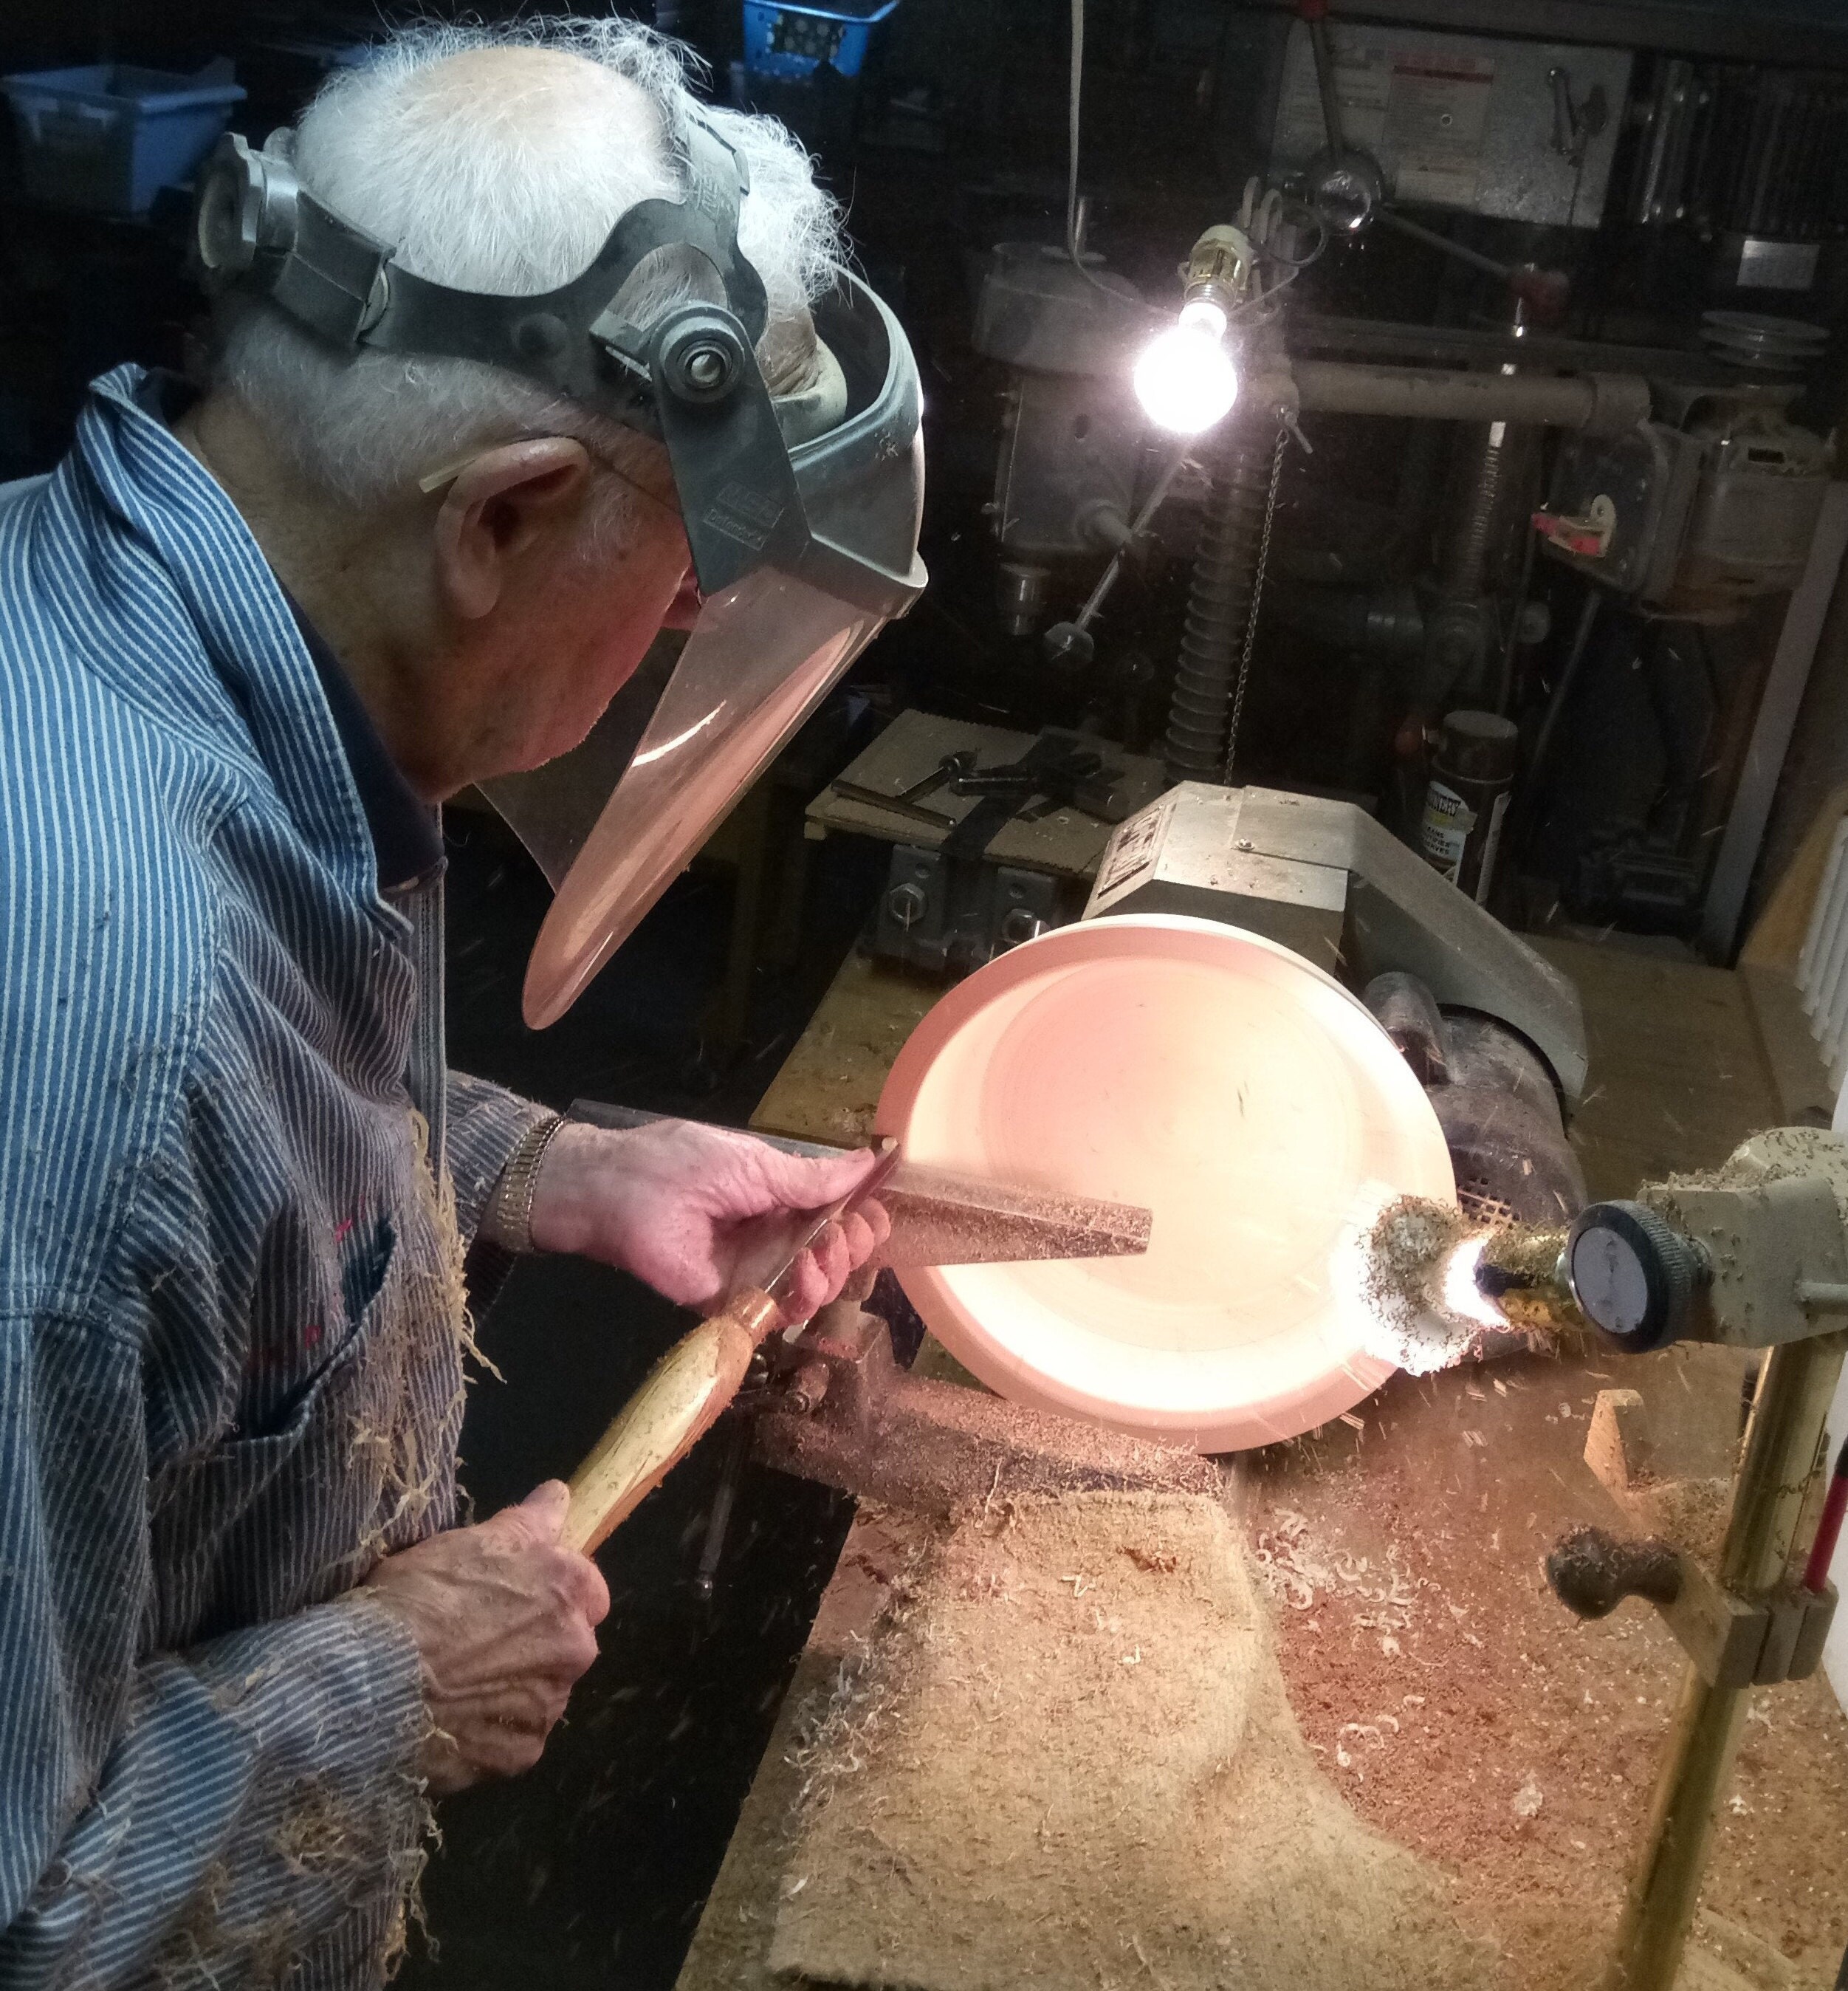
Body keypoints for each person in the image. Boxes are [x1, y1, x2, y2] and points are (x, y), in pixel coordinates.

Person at [0, 18, 921, 1987]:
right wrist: (393, 1685)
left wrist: (551, 1168)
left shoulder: (191, 643)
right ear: (498, 515)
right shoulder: (89, 1071)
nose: (681, 641)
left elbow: (247, 1135)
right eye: (679, 593)